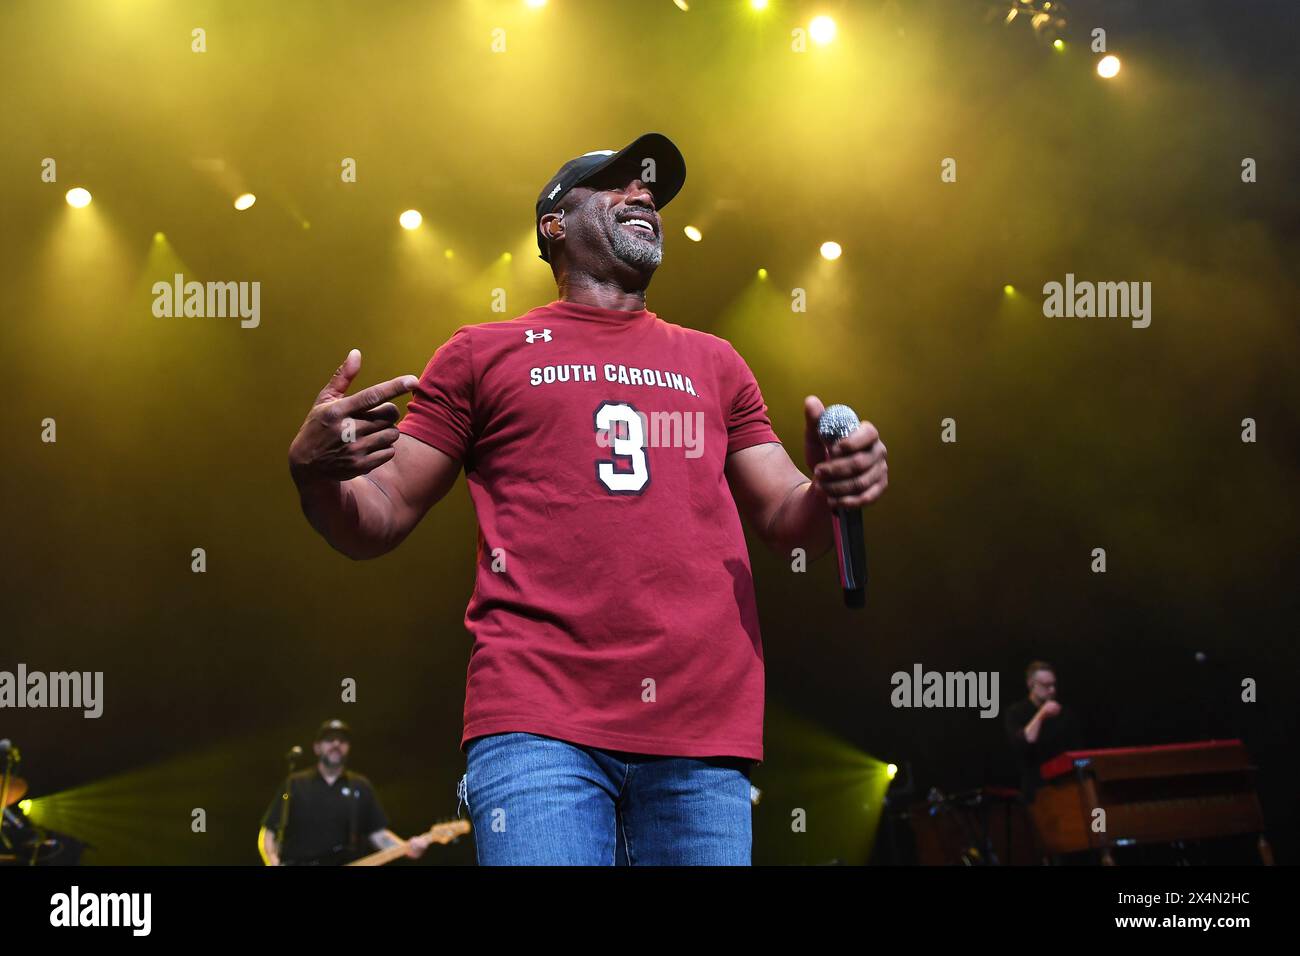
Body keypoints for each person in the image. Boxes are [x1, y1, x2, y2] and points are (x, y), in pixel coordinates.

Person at [286, 132, 890, 864]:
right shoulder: (482, 353)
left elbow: (786, 519)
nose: (644, 196)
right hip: (539, 725)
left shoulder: (715, 362)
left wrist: (833, 489)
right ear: (554, 224)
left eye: (651, 190)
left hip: (700, 728)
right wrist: (315, 475)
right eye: (616, 184)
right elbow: (375, 517)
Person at [258, 719, 431, 865]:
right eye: (329, 739)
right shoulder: (294, 784)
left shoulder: (360, 786)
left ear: (348, 748)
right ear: (317, 747)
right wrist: (272, 862)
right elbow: (269, 832)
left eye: (342, 740)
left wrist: (408, 848)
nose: (336, 744)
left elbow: (378, 835)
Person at [1004, 661, 1084, 801]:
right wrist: (1041, 714)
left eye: (1054, 685)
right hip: (1036, 788)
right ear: (1031, 684)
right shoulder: (1016, 712)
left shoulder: (1064, 713)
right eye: (1046, 685)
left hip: (1066, 786)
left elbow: (1077, 752)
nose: (1052, 690)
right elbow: (1025, 742)